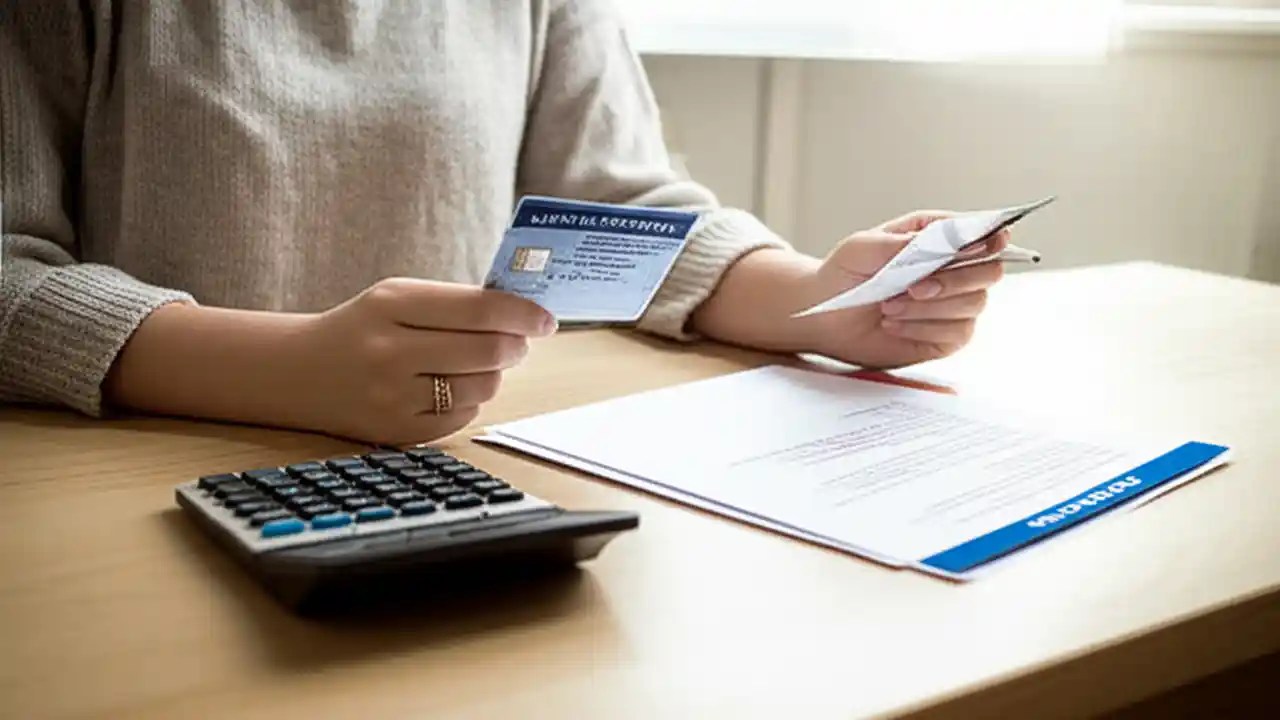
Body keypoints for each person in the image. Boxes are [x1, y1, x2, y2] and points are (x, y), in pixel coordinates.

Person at [1, 1, 1006, 445]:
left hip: (456, 469)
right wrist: (284, 370)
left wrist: (819, 303)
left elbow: (613, 212)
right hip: (145, 476)